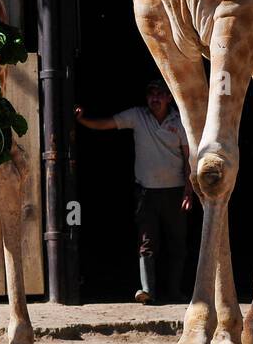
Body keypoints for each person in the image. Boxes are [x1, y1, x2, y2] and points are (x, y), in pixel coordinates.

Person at [75, 80, 194, 304]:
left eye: (160, 93)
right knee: (146, 243)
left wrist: (189, 191)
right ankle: (148, 291)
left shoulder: (180, 121)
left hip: (175, 192)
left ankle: (175, 292)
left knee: (177, 243)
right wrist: (81, 120)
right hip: (146, 193)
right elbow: (106, 124)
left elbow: (189, 158)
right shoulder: (137, 116)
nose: (155, 98)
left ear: (169, 97)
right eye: (151, 93)